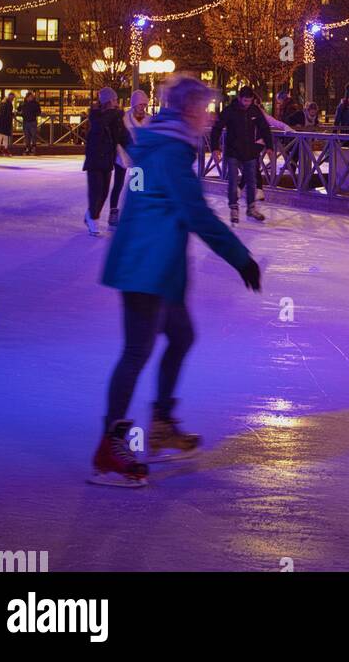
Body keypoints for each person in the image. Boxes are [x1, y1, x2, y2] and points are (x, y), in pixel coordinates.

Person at [91, 75, 261, 487]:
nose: (208, 116)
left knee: (181, 336)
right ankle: (109, 450)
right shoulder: (169, 150)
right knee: (137, 352)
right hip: (145, 267)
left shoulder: (164, 143)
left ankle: (163, 424)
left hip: (156, 266)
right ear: (188, 110)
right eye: (204, 108)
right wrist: (241, 259)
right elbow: (196, 213)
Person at [210, 86, 272, 225]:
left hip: (249, 151)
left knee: (252, 181)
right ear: (239, 98)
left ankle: (251, 208)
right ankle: (234, 208)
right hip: (233, 151)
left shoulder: (254, 110)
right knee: (233, 180)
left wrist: (269, 146)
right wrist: (215, 147)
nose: (247, 104)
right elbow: (217, 128)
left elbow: (264, 127)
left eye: (249, 101)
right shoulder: (229, 111)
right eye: (245, 101)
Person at [83, 88, 130, 236]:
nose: (117, 103)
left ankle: (90, 214)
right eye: (115, 100)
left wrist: (133, 147)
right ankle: (93, 221)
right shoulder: (96, 116)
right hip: (95, 159)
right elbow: (99, 126)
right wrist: (115, 114)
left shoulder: (116, 117)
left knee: (103, 192)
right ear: (109, 101)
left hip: (108, 160)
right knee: (95, 191)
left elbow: (123, 136)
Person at [110, 90, 149, 228]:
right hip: (123, 155)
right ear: (133, 105)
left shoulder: (149, 119)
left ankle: (135, 213)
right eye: (139, 105)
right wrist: (122, 152)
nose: (142, 108)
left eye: (144, 105)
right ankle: (113, 212)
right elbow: (118, 138)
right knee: (119, 184)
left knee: (137, 186)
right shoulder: (124, 118)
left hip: (139, 157)